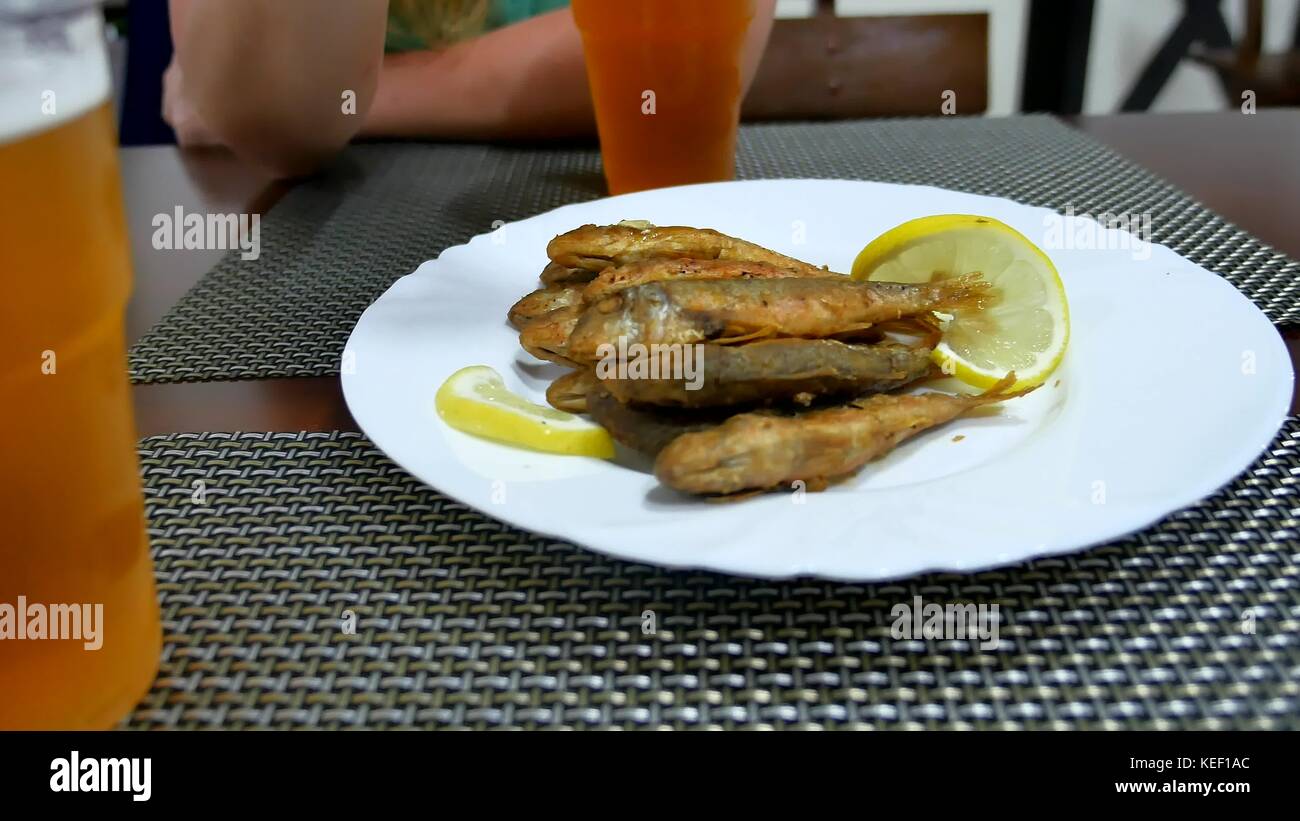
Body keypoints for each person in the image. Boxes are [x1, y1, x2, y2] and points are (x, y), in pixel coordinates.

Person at [164, 0, 777, 178]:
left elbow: (699, 53)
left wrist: (367, 100)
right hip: (319, 251)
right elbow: (275, 107)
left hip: (612, 201)